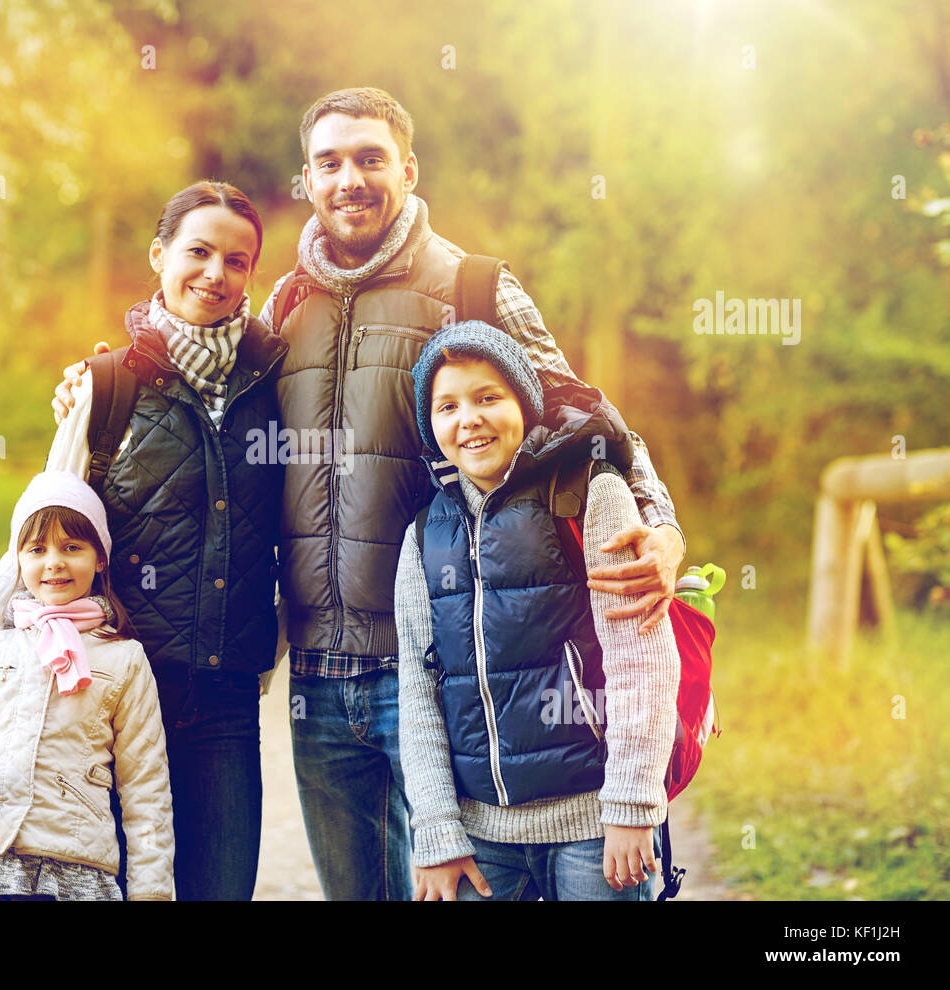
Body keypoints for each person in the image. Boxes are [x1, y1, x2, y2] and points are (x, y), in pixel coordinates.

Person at [54, 89, 685, 900]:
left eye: (370, 159)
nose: (350, 178)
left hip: (440, 673)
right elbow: (188, 378)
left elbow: (594, 421)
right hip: (319, 679)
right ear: (306, 181)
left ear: (407, 170)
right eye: (330, 162)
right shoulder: (281, 307)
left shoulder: (473, 287)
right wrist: (92, 382)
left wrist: (661, 528)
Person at [0, 180, 287, 900]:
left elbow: (289, 529)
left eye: (237, 261)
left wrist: (269, 647)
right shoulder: (106, 390)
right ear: (159, 256)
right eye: (197, 252)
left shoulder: (277, 381)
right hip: (110, 695)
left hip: (223, 701)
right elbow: (42, 534)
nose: (215, 274)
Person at [395, 322, 680, 901]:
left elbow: (641, 658)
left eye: (488, 398)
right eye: (447, 405)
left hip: (595, 827)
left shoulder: (588, 495)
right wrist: (435, 832)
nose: (468, 418)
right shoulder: (423, 534)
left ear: (524, 405)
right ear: (432, 426)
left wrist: (630, 804)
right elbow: (418, 689)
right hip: (481, 843)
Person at [0, 470, 174, 901]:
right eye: (37, 549)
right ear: (18, 560)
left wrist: (152, 895)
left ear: (100, 558)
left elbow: (146, 788)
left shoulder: (124, 659)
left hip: (76, 872)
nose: (54, 561)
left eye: (72, 547)